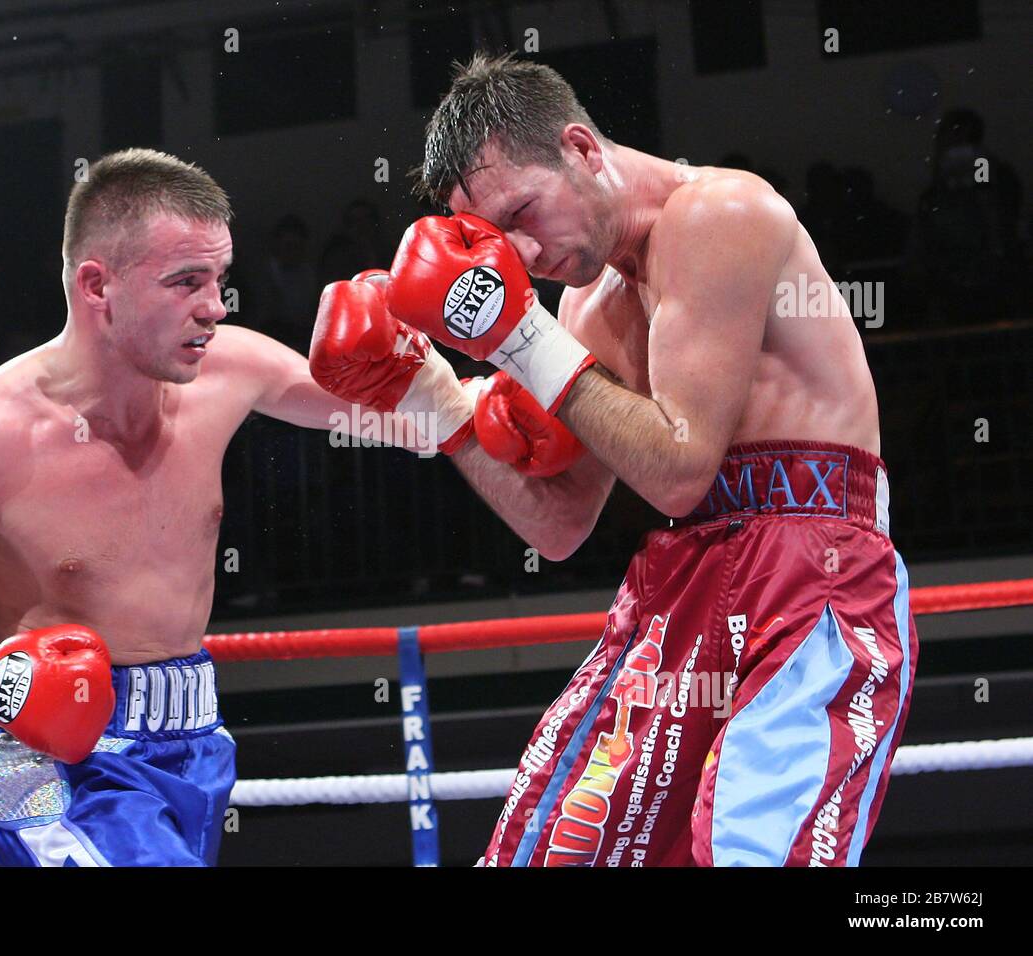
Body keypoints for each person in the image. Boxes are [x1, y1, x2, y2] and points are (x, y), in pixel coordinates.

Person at [0, 148, 548, 866]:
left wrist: (517, 370)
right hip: (53, 760)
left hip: (196, 742)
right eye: (186, 281)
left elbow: (406, 421)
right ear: (96, 286)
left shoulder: (229, 368)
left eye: (220, 277)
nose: (216, 305)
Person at [313, 53, 917, 867]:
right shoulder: (584, 302)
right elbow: (558, 524)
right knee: (553, 847)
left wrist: (518, 342)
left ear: (583, 148)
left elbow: (677, 468)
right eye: (500, 238)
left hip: (812, 570)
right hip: (682, 580)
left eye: (526, 209)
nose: (522, 252)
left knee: (753, 852)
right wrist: (437, 406)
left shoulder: (721, 213)